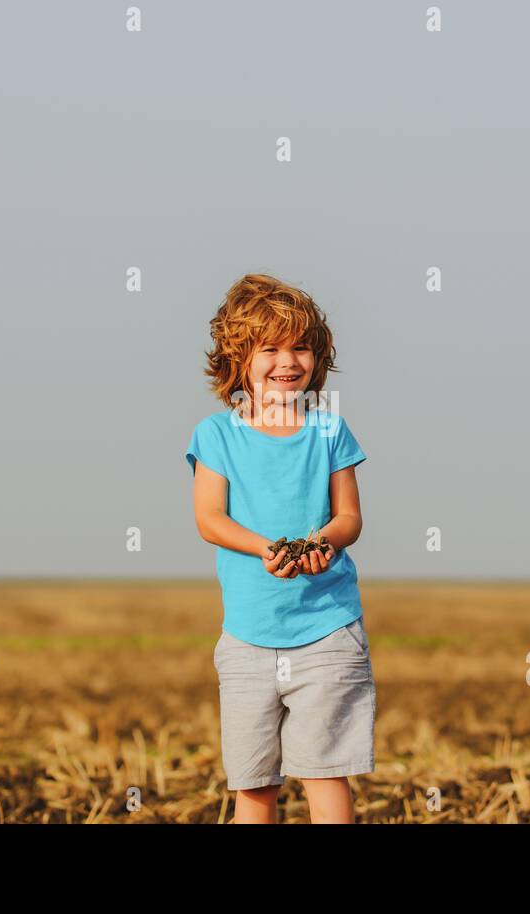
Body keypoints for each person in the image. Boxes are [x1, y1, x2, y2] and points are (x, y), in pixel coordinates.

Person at [185, 273, 374, 824]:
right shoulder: (216, 435)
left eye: (300, 347)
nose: (287, 361)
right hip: (247, 636)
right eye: (269, 348)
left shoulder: (330, 430)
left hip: (328, 630)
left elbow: (349, 517)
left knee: (323, 772)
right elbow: (210, 519)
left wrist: (321, 543)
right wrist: (268, 548)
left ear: (319, 357)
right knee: (255, 784)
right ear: (237, 359)